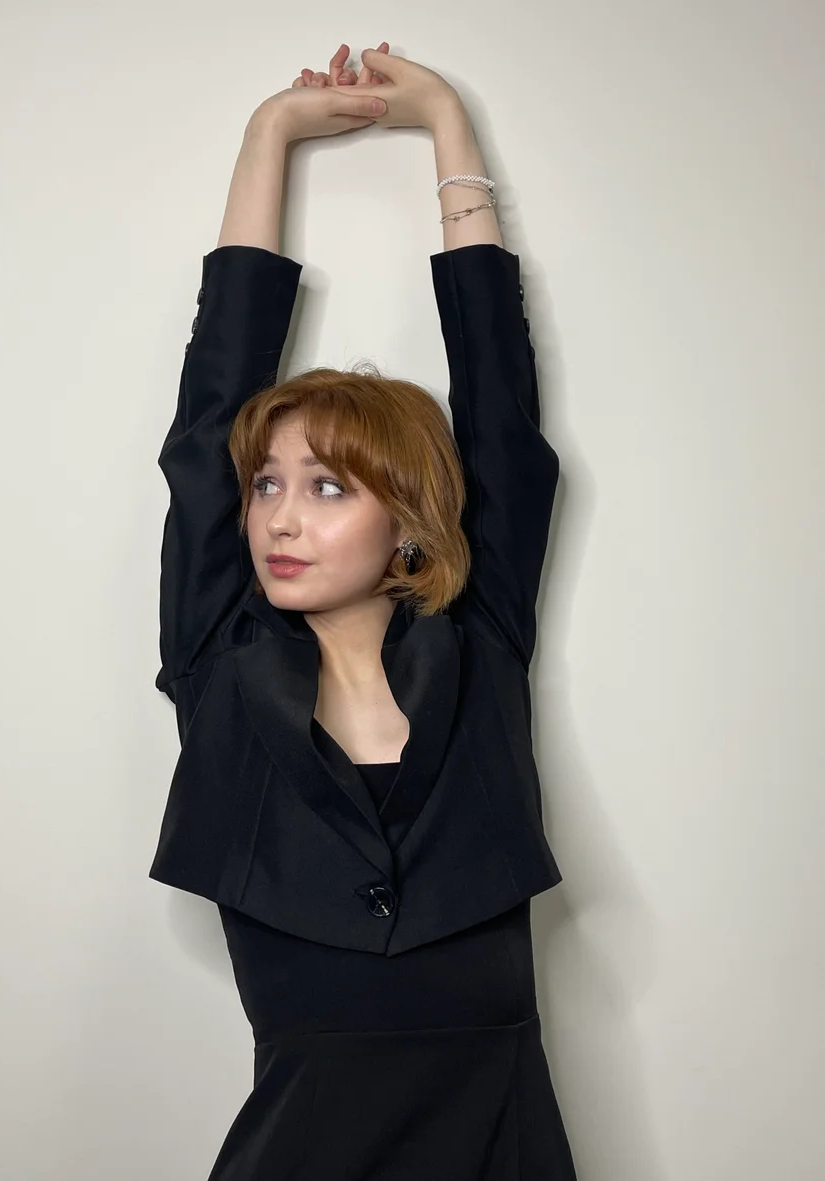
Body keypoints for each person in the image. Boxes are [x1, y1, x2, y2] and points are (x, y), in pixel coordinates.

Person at [149, 41, 578, 1181]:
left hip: (499, 1146)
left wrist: (446, 127)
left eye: (330, 487)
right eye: (267, 485)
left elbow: (502, 418)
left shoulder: (479, 640)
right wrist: (269, 135)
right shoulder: (220, 652)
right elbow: (209, 415)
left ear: (409, 520)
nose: (281, 518)